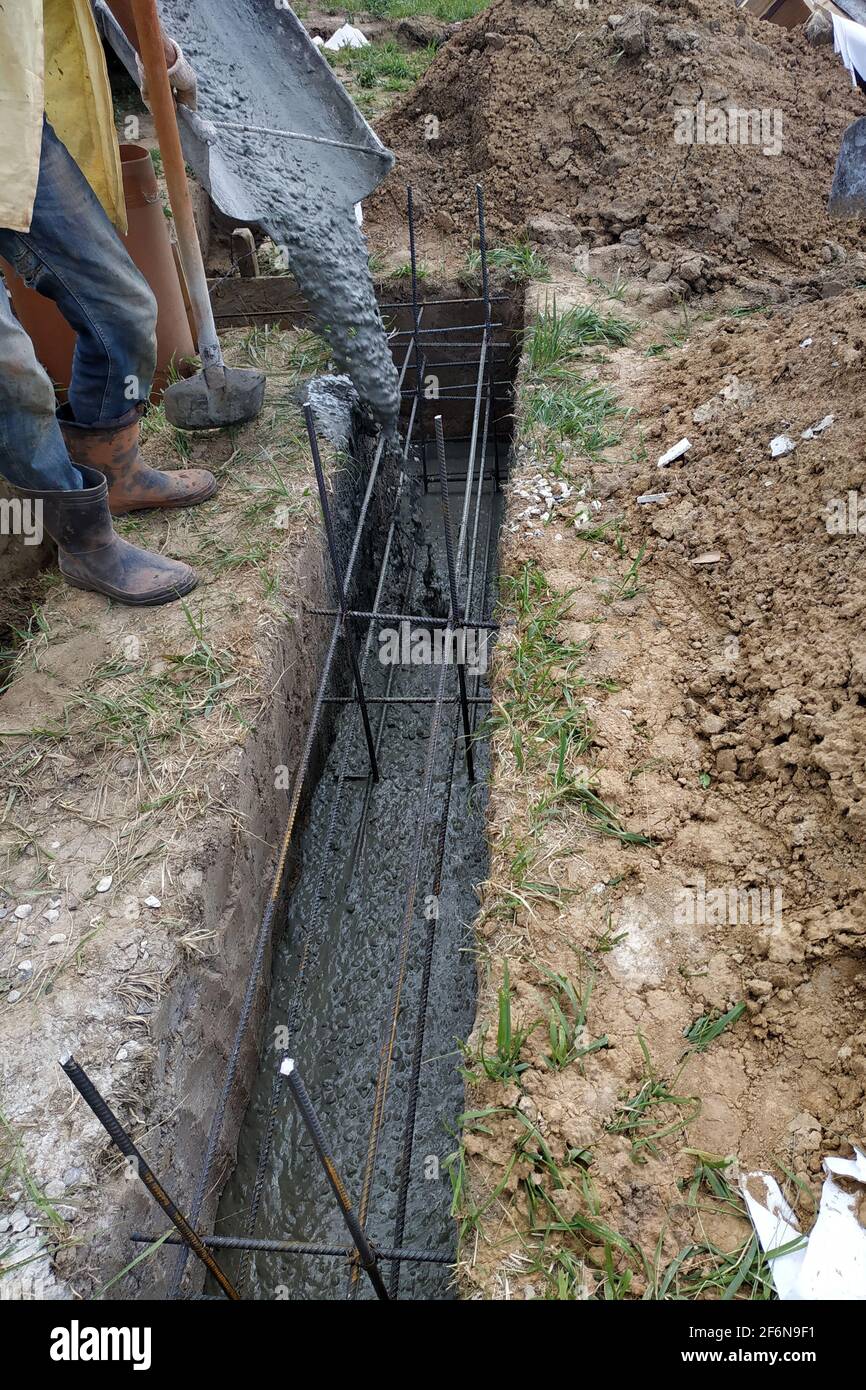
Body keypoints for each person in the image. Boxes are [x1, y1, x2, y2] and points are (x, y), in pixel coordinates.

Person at [0, 0, 216, 607]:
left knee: (121, 304)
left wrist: (159, 55)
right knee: (11, 371)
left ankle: (116, 470)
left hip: (9, 118)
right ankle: (85, 542)